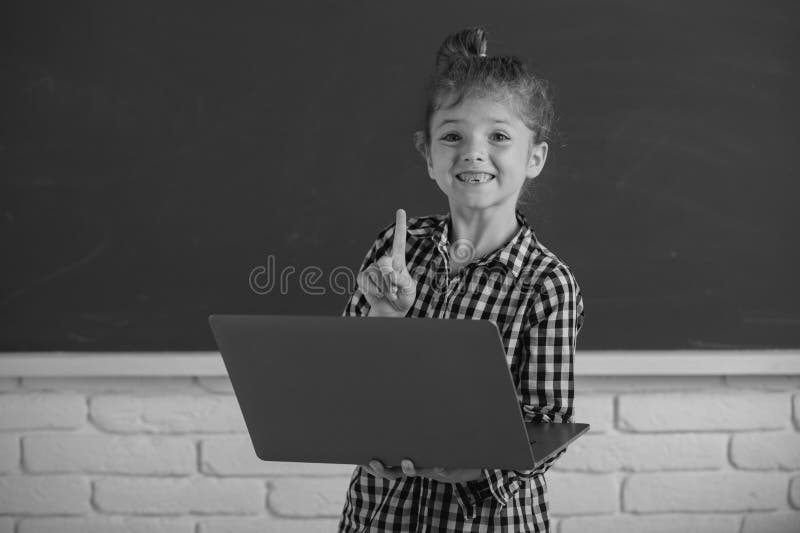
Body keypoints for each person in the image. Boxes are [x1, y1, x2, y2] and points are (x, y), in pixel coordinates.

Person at [338, 26, 585, 532]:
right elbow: (346, 381)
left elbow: (546, 425)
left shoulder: (548, 284)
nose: (473, 152)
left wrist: (470, 468)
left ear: (534, 158)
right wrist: (385, 316)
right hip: (381, 514)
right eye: (452, 136)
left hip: (485, 521)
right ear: (428, 154)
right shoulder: (395, 250)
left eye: (499, 136)